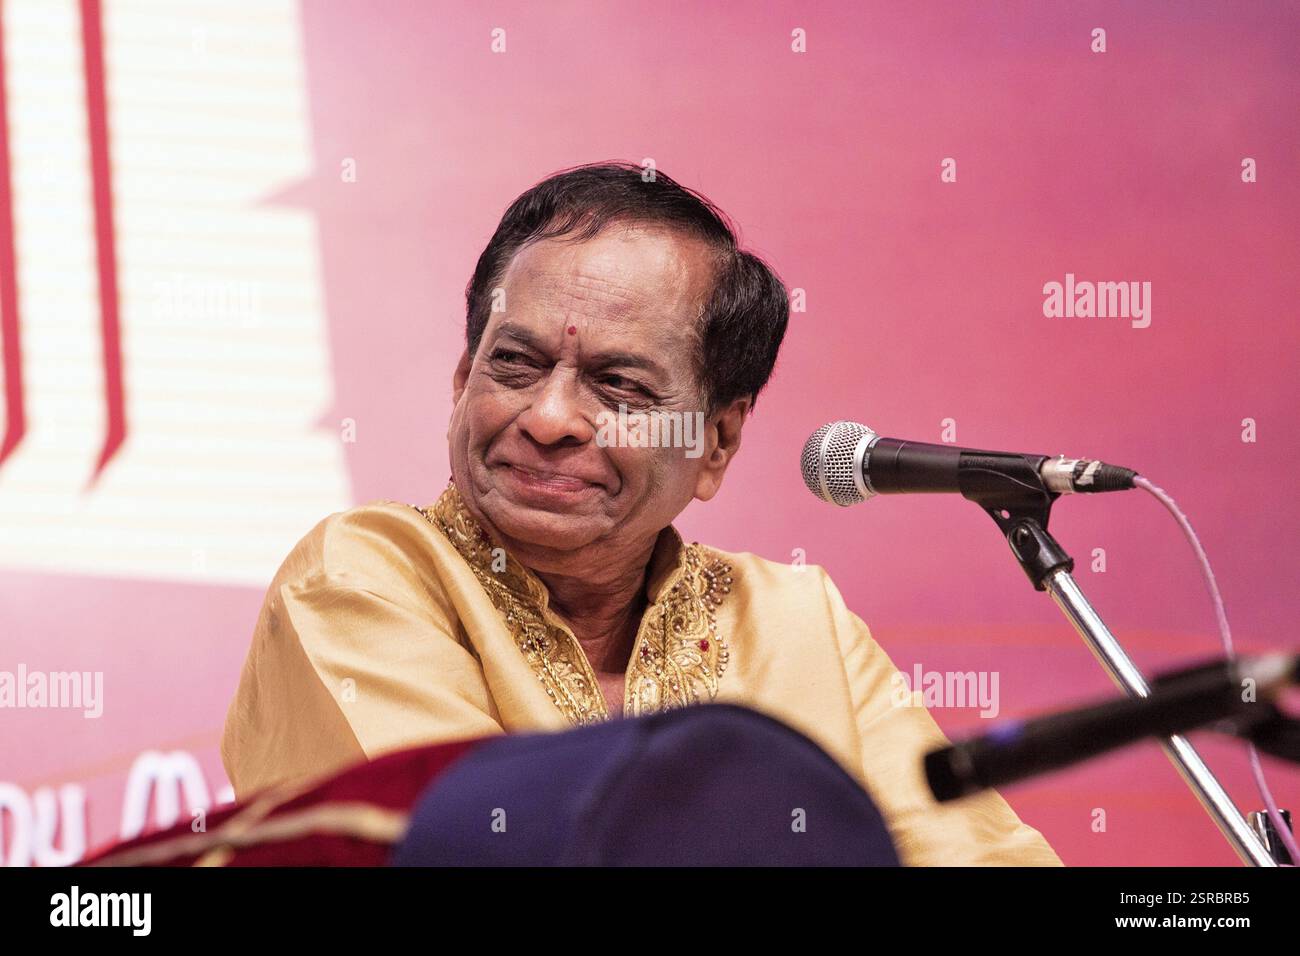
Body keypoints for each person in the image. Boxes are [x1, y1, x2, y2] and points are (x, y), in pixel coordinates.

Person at [221, 161, 1062, 866]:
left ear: (718, 440)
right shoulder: (364, 577)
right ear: (460, 380)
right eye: (514, 363)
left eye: (619, 387)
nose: (549, 418)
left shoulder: (797, 623)